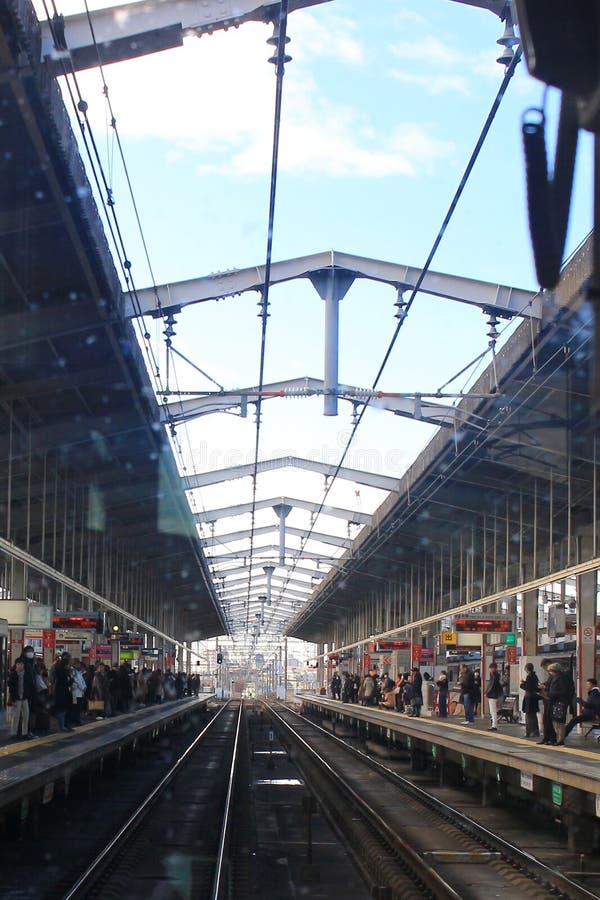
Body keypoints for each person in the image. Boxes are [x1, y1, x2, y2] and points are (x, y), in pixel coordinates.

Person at [547, 661, 575, 746]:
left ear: (554, 670)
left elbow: (563, 691)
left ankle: (560, 740)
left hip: (560, 702)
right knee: (555, 720)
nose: (549, 673)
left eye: (550, 671)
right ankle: (559, 739)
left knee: (559, 721)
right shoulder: (557, 678)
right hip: (556, 701)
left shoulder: (561, 678)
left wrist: (553, 694)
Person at [7, 659, 34, 739]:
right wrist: (12, 699)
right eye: (18, 664)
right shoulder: (13, 675)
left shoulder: (27, 675)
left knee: (26, 715)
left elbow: (30, 686)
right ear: (16, 665)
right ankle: (13, 733)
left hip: (25, 698)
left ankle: (24, 733)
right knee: (15, 716)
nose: (20, 666)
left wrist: (29, 696)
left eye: (21, 664)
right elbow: (11, 688)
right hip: (16, 698)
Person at [520, 662, 540, 738]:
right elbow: (533, 686)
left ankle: (530, 731)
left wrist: (522, 684)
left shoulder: (529, 677)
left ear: (527, 669)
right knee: (533, 715)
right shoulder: (535, 676)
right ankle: (534, 731)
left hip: (529, 698)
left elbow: (528, 687)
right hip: (533, 698)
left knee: (529, 716)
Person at [485, 662, 504, 731]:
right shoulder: (496, 676)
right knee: (493, 711)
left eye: (490, 668)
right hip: (495, 694)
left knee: (493, 711)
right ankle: (493, 724)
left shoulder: (494, 676)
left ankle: (494, 725)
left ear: (493, 668)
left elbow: (491, 686)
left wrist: (487, 693)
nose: (489, 670)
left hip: (493, 695)